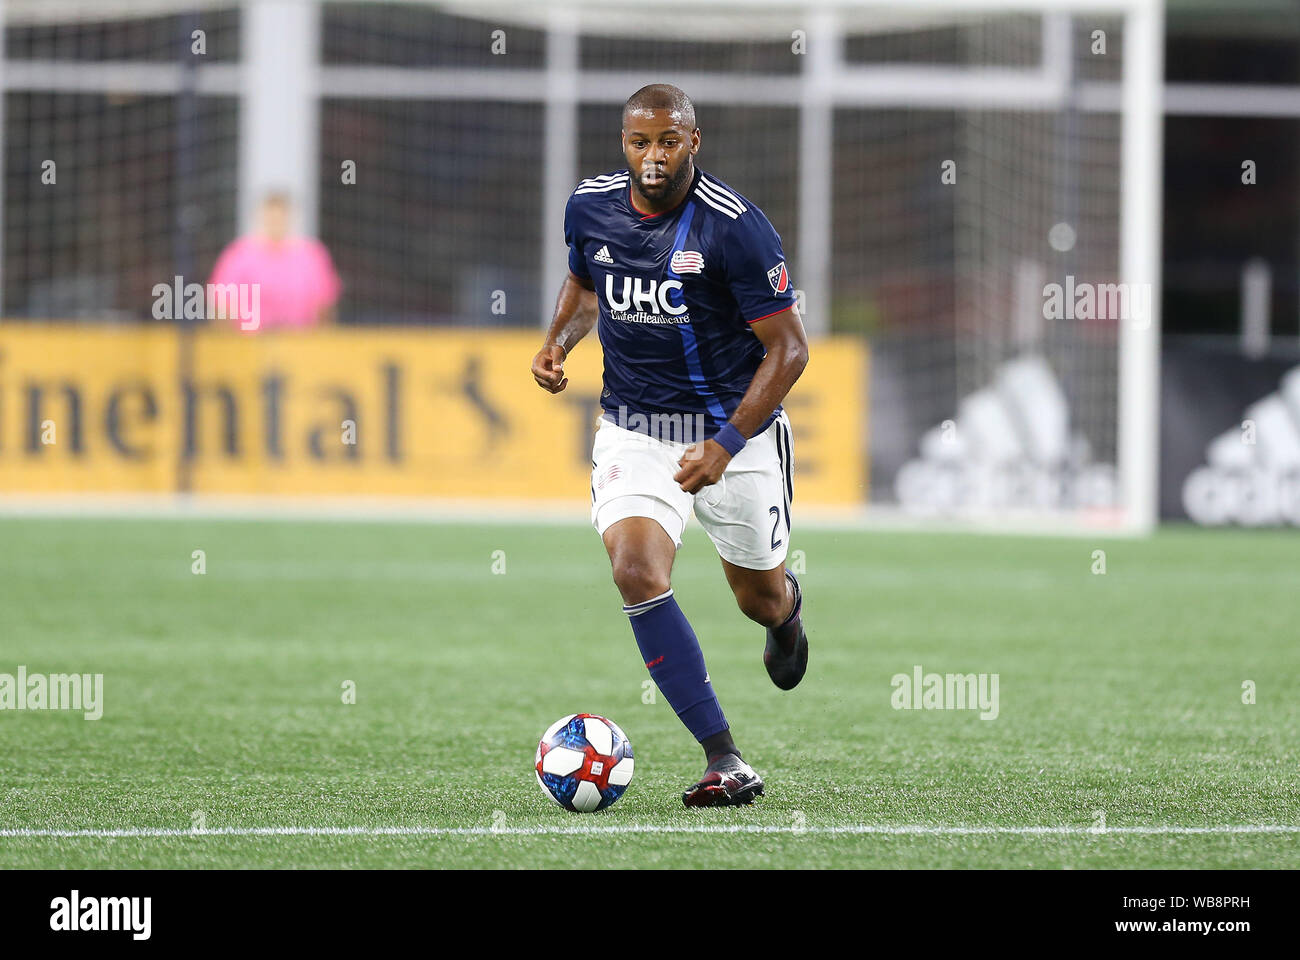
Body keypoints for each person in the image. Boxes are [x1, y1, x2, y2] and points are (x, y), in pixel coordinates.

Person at [531, 84, 811, 807]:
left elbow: (789, 351)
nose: (652, 157)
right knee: (635, 569)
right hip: (634, 429)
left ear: (693, 141)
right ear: (623, 143)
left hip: (734, 439)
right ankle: (724, 756)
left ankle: (785, 615)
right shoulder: (589, 205)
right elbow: (585, 285)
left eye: (667, 141)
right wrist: (557, 343)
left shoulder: (736, 227)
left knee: (758, 597)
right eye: (638, 142)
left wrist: (724, 443)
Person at [208, 191, 341, 329]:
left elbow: (326, 309)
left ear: (290, 218)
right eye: (271, 217)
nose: (276, 222)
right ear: (259, 218)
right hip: (249, 344)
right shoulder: (237, 256)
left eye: (280, 217)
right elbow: (221, 308)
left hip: (301, 343)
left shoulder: (313, 257)